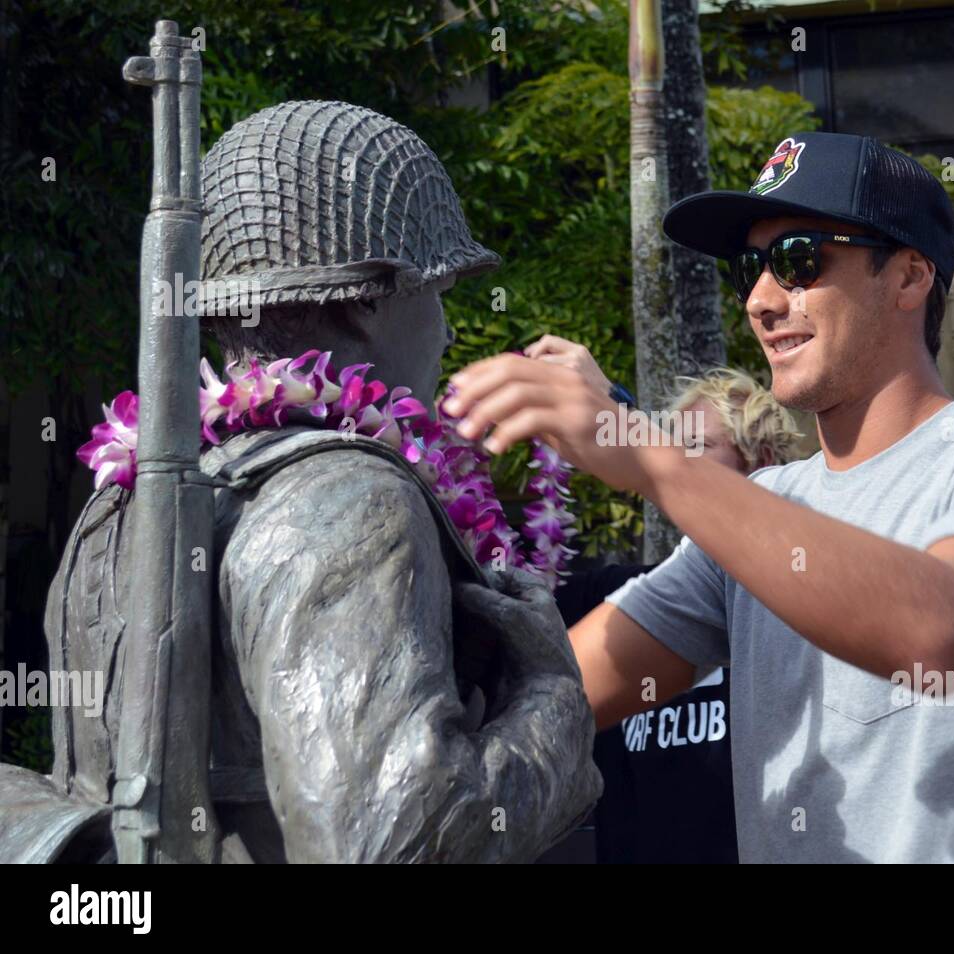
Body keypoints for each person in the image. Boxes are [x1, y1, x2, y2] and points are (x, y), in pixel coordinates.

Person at [444, 131, 954, 862]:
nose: (760, 300)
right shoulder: (763, 513)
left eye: (798, 261)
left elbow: (947, 627)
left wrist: (652, 457)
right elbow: (555, 689)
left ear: (910, 278)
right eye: (749, 268)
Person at [0, 101, 601, 864]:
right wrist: (551, 698)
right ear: (362, 306)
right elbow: (397, 840)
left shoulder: (115, 503)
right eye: (436, 292)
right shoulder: (351, 501)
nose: (448, 331)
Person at [527, 335, 803, 862]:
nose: (674, 461)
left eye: (697, 447)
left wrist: (616, 409)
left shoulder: (793, 595)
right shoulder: (619, 594)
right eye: (670, 445)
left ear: (761, 461)